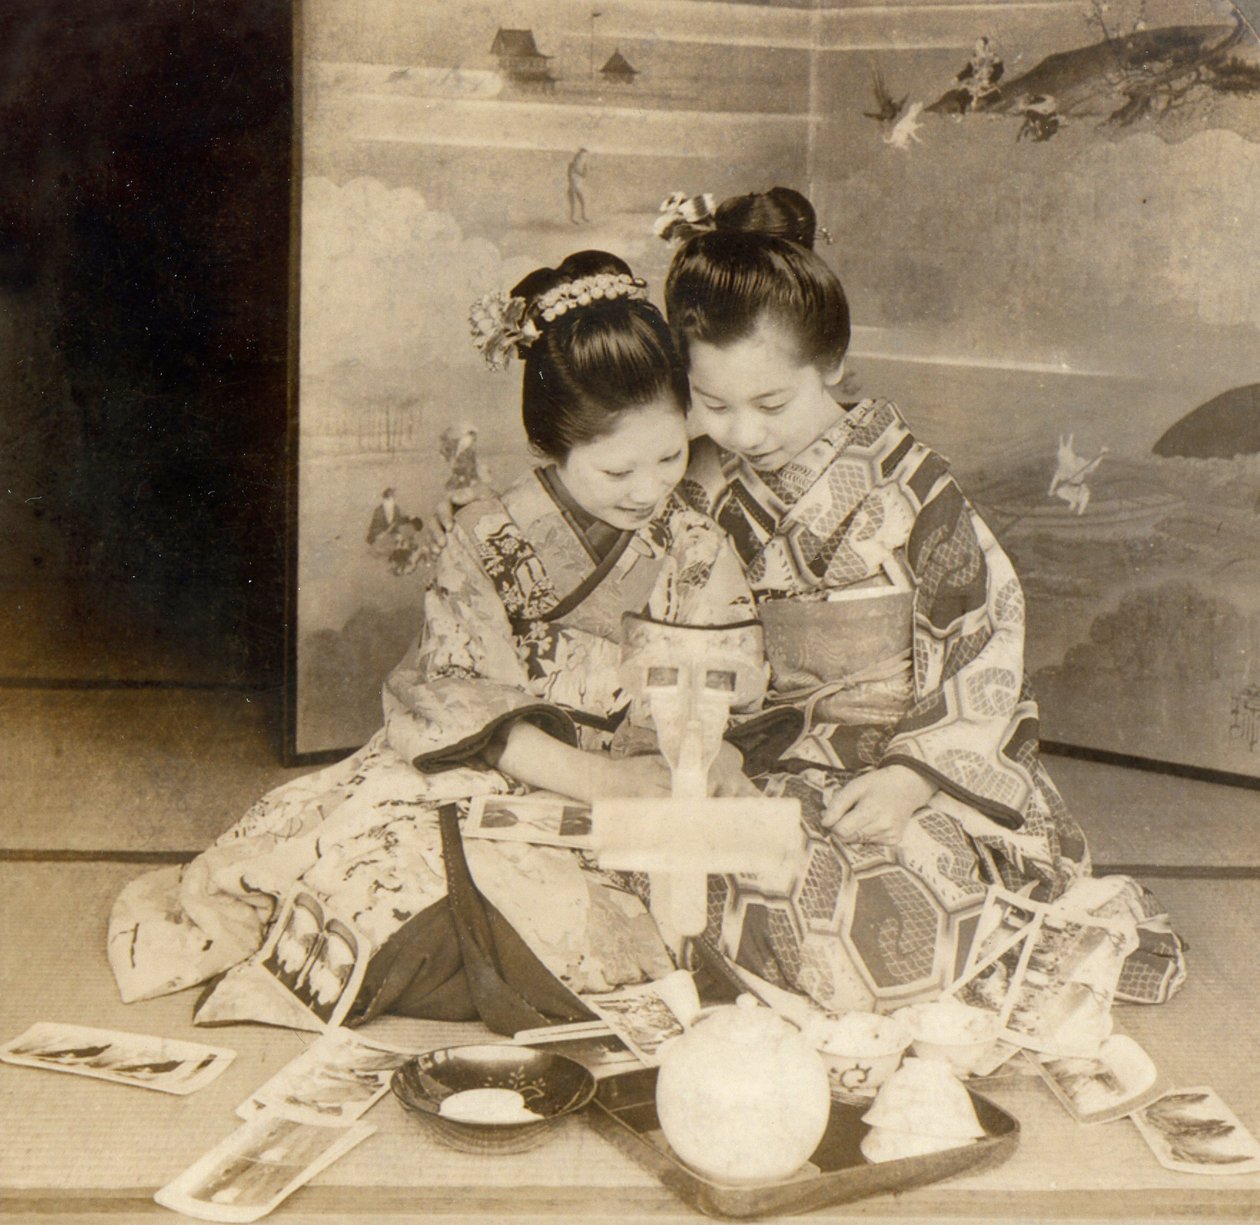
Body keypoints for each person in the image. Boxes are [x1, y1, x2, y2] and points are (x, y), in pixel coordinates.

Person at [108, 250, 761, 1032]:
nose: (651, 487)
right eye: (619, 468)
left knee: (743, 901)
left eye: (669, 454)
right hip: (498, 767)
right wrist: (597, 779)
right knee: (391, 900)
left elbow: (727, 686)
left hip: (650, 781)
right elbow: (456, 707)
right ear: (550, 449)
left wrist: (710, 756)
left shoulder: (694, 542)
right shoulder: (486, 539)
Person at [657, 186, 1185, 1010]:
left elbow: (983, 646)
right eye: (713, 405)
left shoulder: (912, 488)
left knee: (877, 898)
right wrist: (710, 740)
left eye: (771, 403)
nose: (744, 434)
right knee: (680, 860)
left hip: (912, 756)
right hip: (769, 746)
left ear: (829, 365)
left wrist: (911, 777)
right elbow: (681, 628)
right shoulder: (698, 482)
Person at [567, 148, 590, 224]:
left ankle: (583, 216)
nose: (584, 158)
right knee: (574, 203)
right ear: (578, 157)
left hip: (578, 186)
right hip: (573, 186)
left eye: (585, 156)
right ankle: (573, 218)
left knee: (583, 201)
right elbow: (581, 174)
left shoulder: (580, 165)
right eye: (583, 156)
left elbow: (584, 175)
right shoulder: (573, 165)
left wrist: (585, 167)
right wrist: (585, 168)